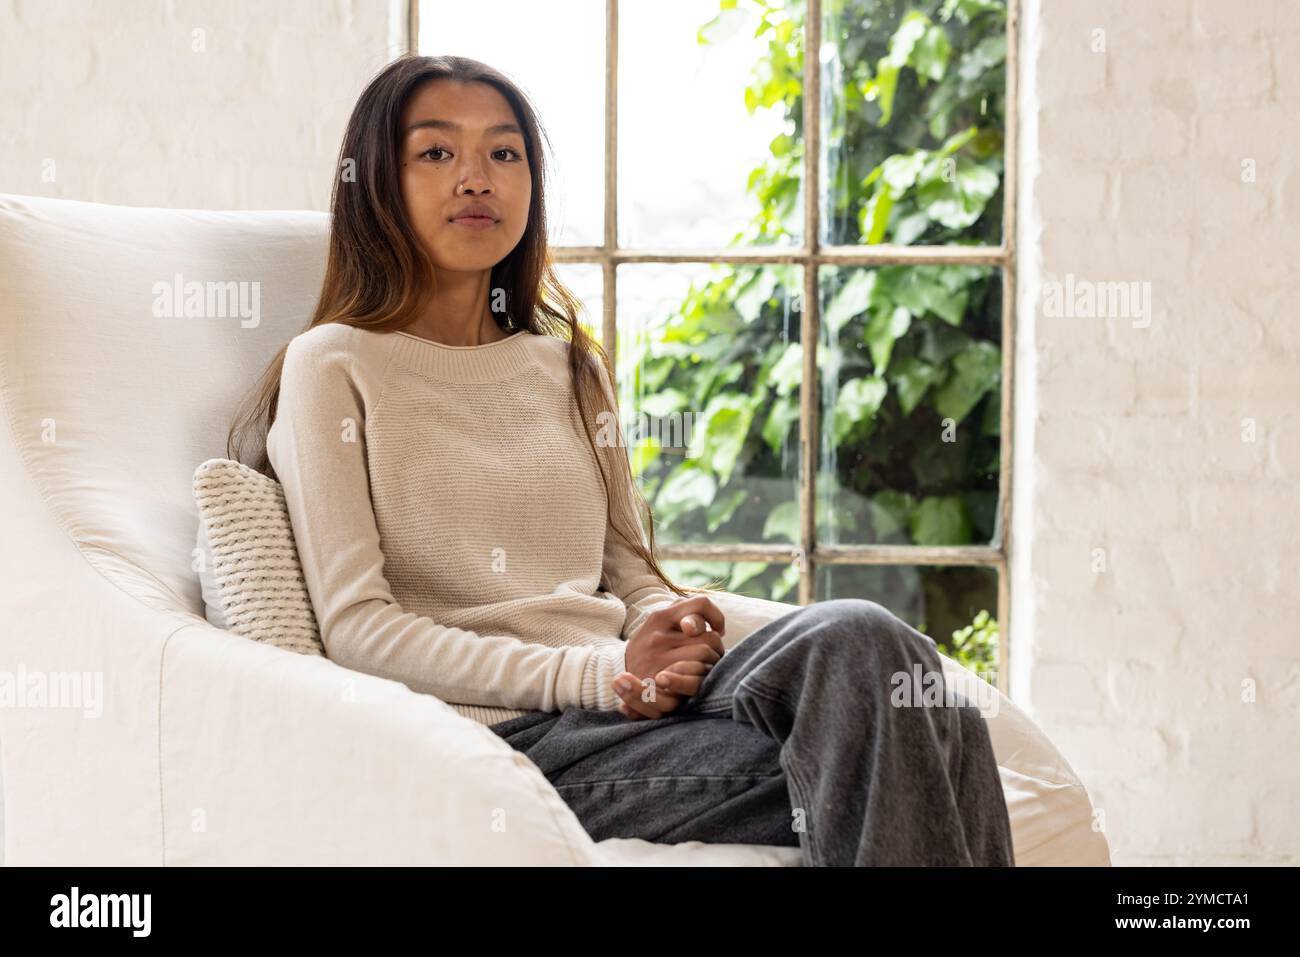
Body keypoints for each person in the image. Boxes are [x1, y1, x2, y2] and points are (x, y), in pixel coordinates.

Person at [228, 53, 1014, 866]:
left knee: (888, 662)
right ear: (377, 185)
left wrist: (660, 629)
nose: (476, 178)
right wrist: (602, 674)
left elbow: (628, 576)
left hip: (637, 708)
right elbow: (360, 628)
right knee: (909, 738)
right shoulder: (334, 365)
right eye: (435, 153)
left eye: (504, 153)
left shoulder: (569, 367)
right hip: (516, 744)